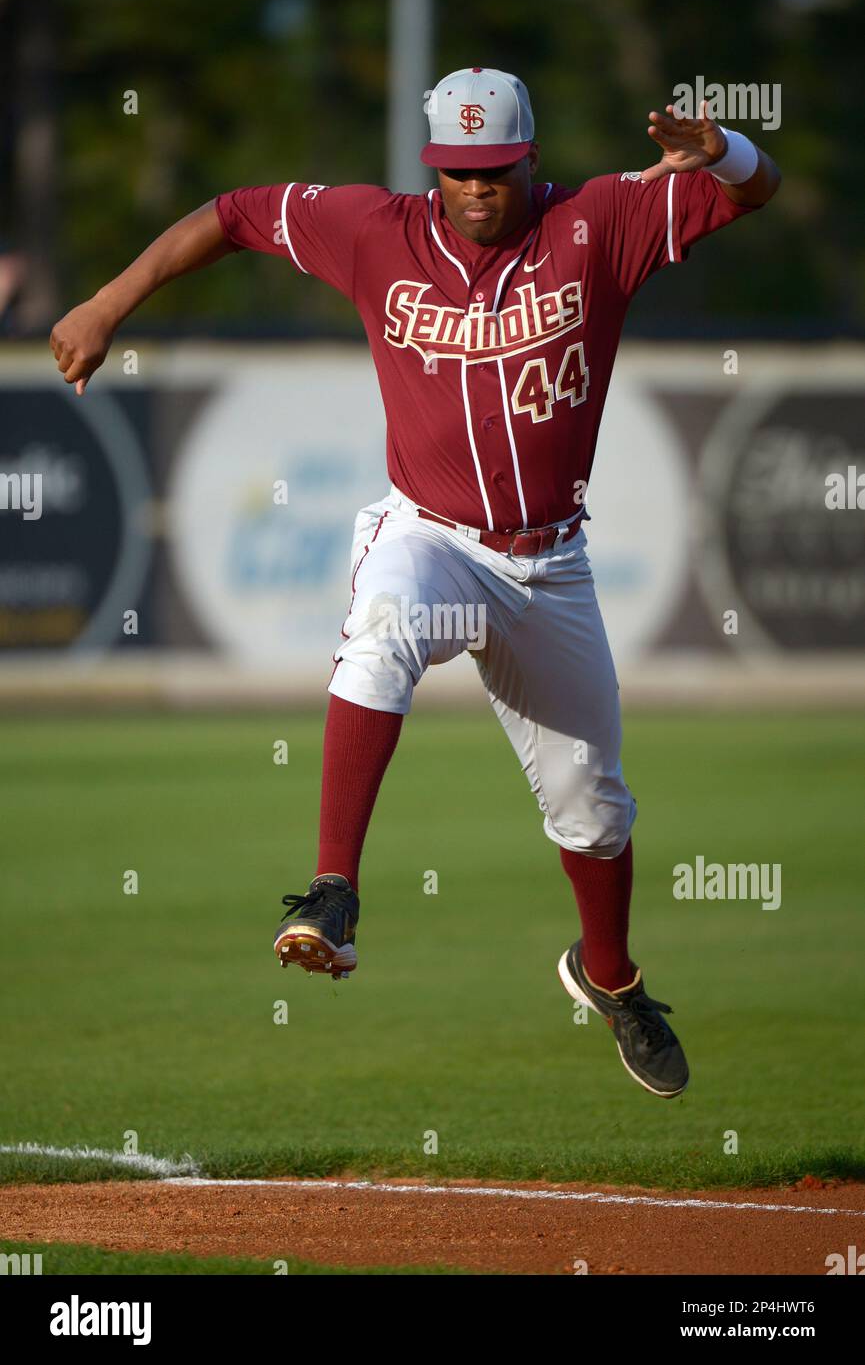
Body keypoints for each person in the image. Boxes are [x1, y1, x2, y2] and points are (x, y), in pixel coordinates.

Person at [49, 67, 780, 1098]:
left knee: (593, 810)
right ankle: (334, 892)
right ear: (431, 168)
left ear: (529, 159)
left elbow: (757, 192)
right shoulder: (372, 231)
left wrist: (729, 154)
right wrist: (108, 299)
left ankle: (610, 977)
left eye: (495, 169)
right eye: (457, 171)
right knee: (383, 620)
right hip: (432, 535)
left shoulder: (600, 220)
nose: (477, 189)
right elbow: (230, 214)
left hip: (550, 563)